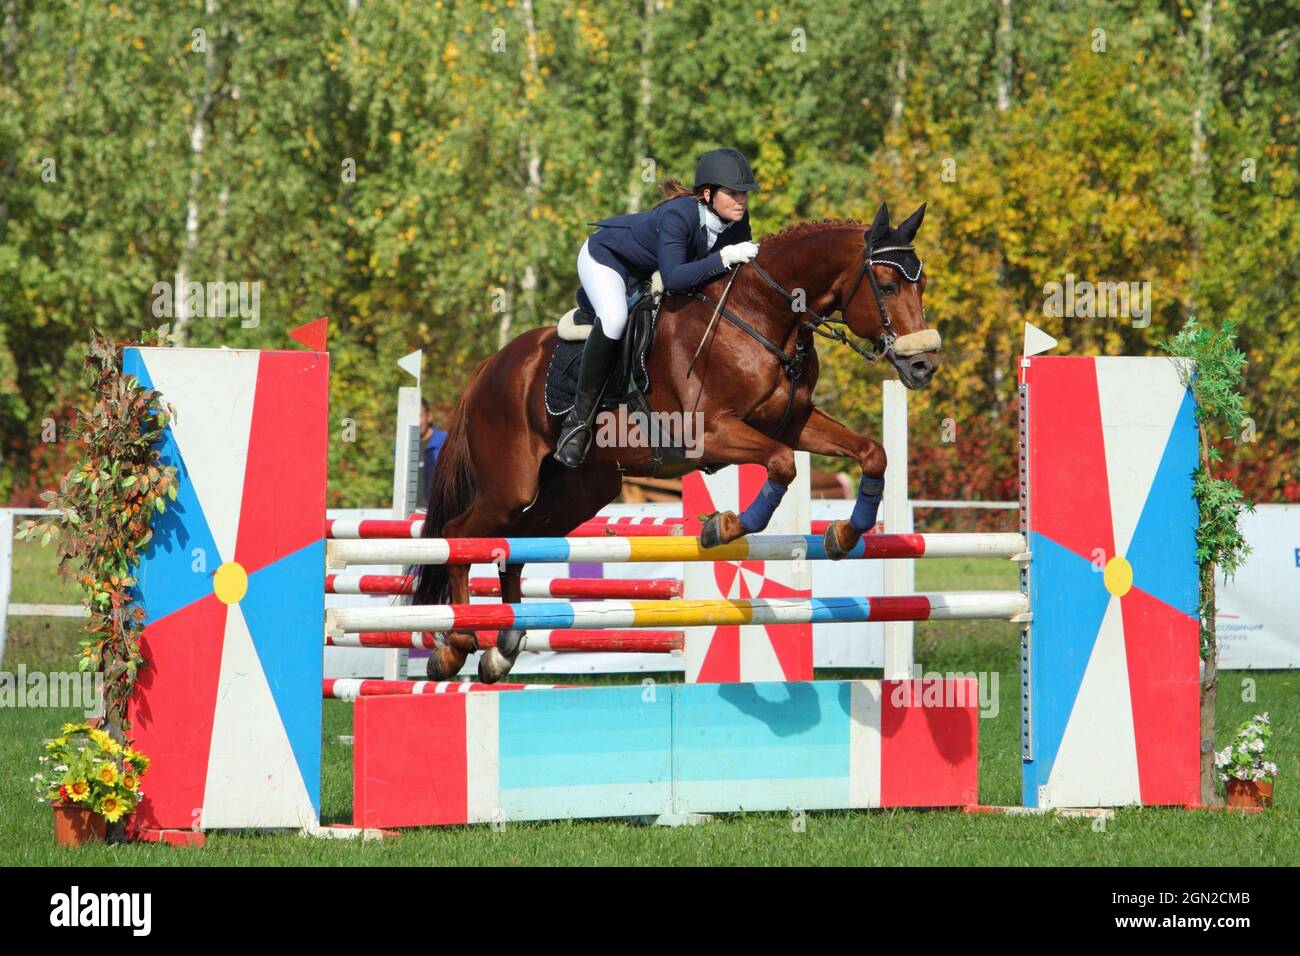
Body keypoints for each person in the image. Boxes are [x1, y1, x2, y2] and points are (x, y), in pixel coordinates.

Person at [553, 147, 761, 467]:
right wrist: (722, 258)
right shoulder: (680, 215)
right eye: (733, 193)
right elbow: (676, 279)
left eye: (744, 194)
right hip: (606, 259)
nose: (741, 201)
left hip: (647, 270)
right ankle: (578, 423)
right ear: (707, 194)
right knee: (615, 319)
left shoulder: (737, 221)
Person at [416, 398, 447, 509]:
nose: (415, 421)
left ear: (429, 417)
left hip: (438, 514)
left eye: (419, 416)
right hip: (410, 517)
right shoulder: (400, 446)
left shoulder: (446, 442)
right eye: (411, 416)